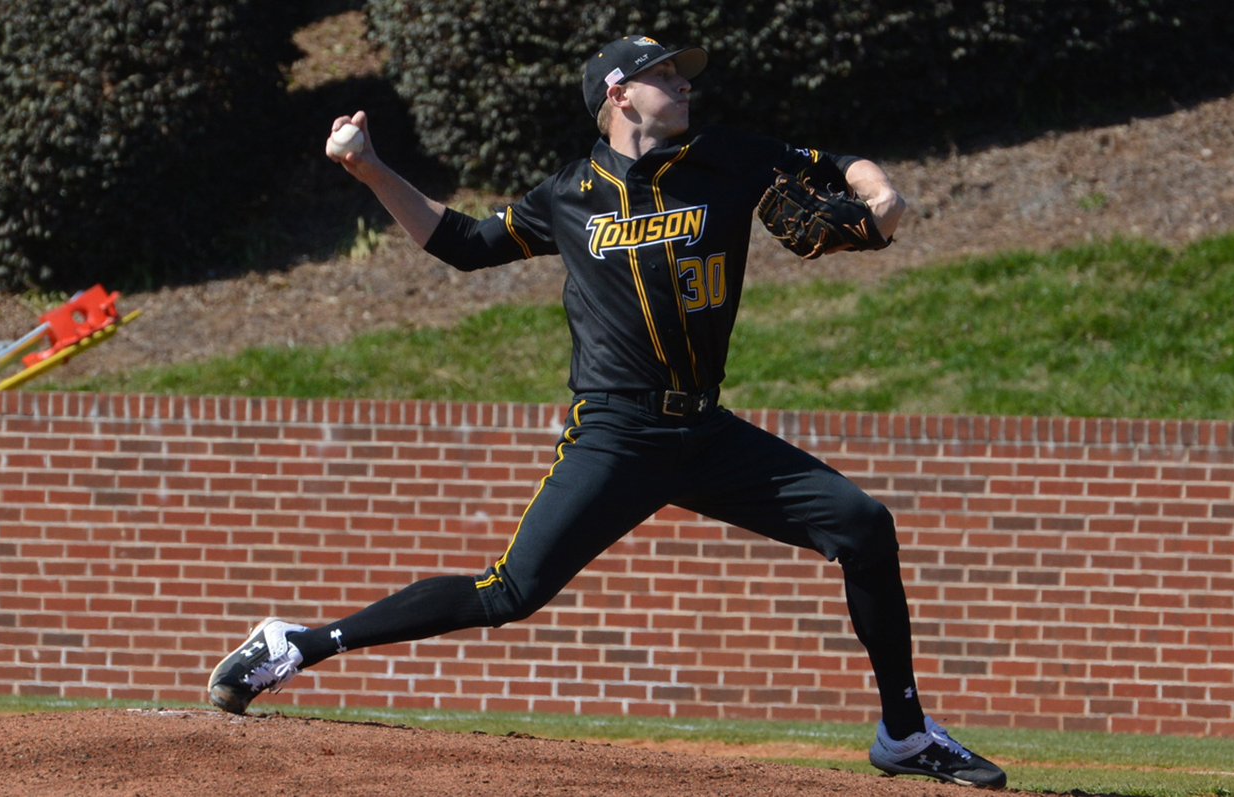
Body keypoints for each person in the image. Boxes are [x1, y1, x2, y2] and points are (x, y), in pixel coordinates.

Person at [207, 35, 1006, 789]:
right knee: (507, 593)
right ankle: (298, 643)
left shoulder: (725, 159)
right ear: (619, 94)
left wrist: (878, 196)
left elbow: (835, 162)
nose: (684, 81)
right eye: (666, 73)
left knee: (862, 525)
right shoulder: (569, 193)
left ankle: (902, 733)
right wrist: (372, 169)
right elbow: (462, 242)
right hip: (616, 431)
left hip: (702, 430)